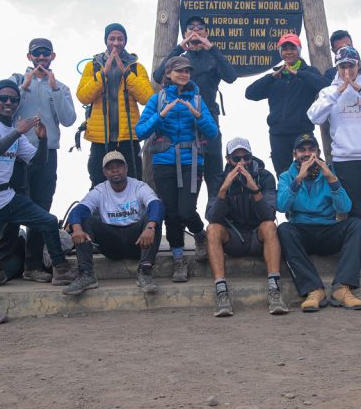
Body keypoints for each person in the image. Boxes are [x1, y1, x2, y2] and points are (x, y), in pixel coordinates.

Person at [0, 79, 73, 325]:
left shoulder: (14, 130)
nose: (9, 103)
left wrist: (43, 139)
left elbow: (37, 162)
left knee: (47, 221)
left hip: (7, 196)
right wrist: (19, 131)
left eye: (14, 100)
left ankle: (61, 270)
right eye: (3, 98)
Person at [0, 38, 77, 288]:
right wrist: (24, 86)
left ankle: (33, 265)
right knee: (9, 207)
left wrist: (54, 88)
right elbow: (5, 112)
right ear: (29, 57)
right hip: (15, 155)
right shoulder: (14, 83)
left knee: (41, 208)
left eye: (46, 54)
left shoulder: (61, 87)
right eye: (37, 54)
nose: (41, 59)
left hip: (46, 152)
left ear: (53, 57)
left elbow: (68, 120)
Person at [308, 46, 361, 279]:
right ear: (337, 67)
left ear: (359, 65)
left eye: (351, 65)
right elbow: (314, 116)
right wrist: (339, 92)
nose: (347, 70)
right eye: (343, 66)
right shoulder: (329, 91)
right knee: (354, 213)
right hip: (345, 159)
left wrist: (360, 90)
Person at [136, 56, 218, 282]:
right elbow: (140, 131)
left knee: (185, 210)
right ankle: (179, 259)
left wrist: (197, 114)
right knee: (171, 212)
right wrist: (161, 115)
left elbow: (212, 133)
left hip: (192, 160)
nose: (184, 74)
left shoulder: (198, 100)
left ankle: (200, 234)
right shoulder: (157, 99)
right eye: (179, 71)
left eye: (187, 71)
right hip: (164, 161)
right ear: (169, 74)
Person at [276, 133, 361, 312]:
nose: (307, 154)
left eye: (311, 149)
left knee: (357, 224)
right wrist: (298, 179)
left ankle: (342, 288)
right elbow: (281, 206)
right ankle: (314, 289)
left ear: (317, 152)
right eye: (302, 150)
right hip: (301, 230)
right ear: (295, 154)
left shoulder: (329, 172)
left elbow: (345, 207)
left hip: (327, 229)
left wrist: (331, 179)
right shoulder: (286, 176)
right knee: (284, 229)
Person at [153, 16, 238, 198]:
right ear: (184, 34)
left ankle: (216, 223)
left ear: (207, 33)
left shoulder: (213, 58)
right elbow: (159, 75)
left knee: (214, 175)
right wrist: (179, 48)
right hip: (182, 125)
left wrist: (211, 48)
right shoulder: (180, 60)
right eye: (190, 28)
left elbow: (231, 77)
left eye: (200, 28)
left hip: (208, 124)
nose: (196, 31)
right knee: (183, 177)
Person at [205, 137, 287, 317]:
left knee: (269, 226)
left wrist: (254, 190)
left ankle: (274, 290)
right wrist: (223, 191)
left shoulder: (264, 177)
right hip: (233, 238)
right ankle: (222, 292)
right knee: (212, 230)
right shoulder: (219, 179)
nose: (242, 162)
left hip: (257, 237)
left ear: (251, 157)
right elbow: (212, 218)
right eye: (236, 158)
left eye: (246, 157)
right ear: (228, 160)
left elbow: (269, 215)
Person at [64, 151, 166, 295]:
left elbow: (156, 205)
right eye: (110, 167)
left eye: (119, 166)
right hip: (111, 244)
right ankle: (86, 274)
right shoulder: (100, 190)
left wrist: (150, 227)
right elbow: (78, 210)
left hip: (137, 242)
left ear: (126, 168)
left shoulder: (139, 186)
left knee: (153, 218)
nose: (115, 170)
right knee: (85, 220)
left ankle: (145, 271)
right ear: (105, 172)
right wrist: (77, 229)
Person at [76, 23, 154, 186]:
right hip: (99, 137)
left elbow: (147, 97)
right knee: (98, 181)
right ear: (106, 40)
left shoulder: (136, 68)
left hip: (128, 136)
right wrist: (103, 74)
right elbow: (83, 97)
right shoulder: (93, 66)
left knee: (133, 180)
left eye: (120, 39)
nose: (116, 43)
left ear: (125, 41)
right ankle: (98, 212)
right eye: (112, 39)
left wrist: (125, 73)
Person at [245, 33, 329, 176]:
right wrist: (270, 77)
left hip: (302, 132)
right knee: (283, 176)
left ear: (299, 50)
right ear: (280, 52)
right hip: (278, 134)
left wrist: (299, 73)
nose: (289, 52)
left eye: (292, 48)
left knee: (309, 174)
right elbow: (250, 93)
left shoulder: (309, 72)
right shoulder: (275, 76)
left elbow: (325, 88)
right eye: (285, 49)